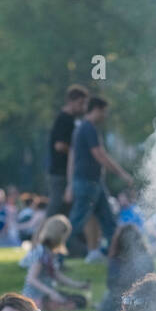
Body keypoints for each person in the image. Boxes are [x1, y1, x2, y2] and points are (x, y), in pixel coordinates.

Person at [67, 97, 135, 264]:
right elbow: (100, 155)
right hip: (88, 183)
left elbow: (73, 156)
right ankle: (53, 256)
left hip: (94, 183)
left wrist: (70, 184)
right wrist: (122, 173)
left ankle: (121, 259)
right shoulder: (88, 128)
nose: (105, 115)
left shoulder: (80, 128)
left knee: (109, 222)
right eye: (104, 112)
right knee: (75, 223)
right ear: (96, 109)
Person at [21, 215, 90, 310]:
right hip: (36, 297)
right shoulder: (42, 253)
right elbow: (31, 278)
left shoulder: (50, 252)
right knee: (75, 303)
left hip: (47, 294)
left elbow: (56, 275)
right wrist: (51, 293)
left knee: (81, 300)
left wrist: (77, 285)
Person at [47, 85, 89, 219]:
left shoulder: (73, 120)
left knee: (67, 209)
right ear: (70, 101)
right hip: (59, 172)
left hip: (67, 172)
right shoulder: (63, 119)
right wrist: (77, 152)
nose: (83, 107)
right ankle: (40, 237)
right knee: (56, 207)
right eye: (80, 103)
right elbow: (59, 145)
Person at [97, 223, 154, 311]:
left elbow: (111, 284)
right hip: (142, 301)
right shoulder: (146, 258)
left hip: (120, 302)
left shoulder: (115, 261)